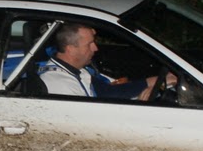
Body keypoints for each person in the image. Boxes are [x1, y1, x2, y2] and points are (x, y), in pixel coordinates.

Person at [35, 22, 175, 101]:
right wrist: (140, 105)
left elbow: (109, 92)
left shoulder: (77, 70)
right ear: (71, 49)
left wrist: (160, 81)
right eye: (89, 44)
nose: (95, 48)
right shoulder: (61, 85)